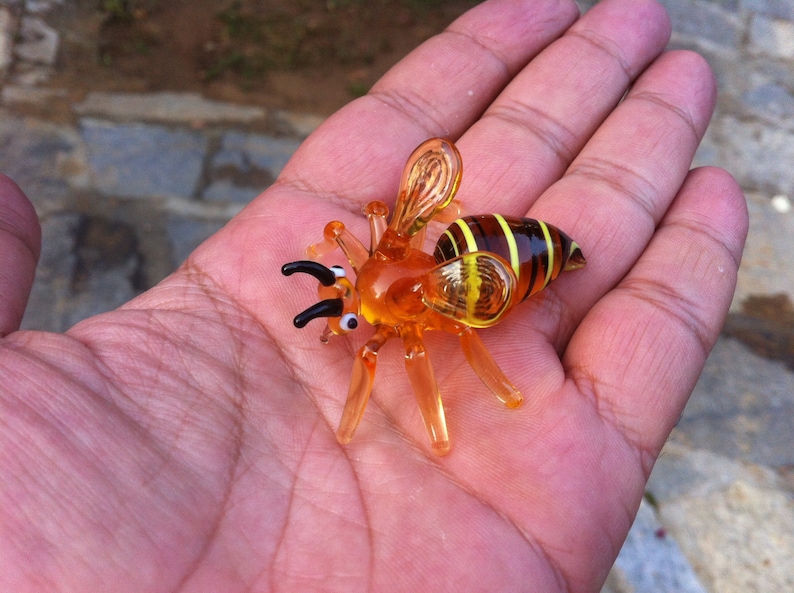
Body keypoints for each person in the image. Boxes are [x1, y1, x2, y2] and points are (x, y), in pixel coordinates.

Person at [0, 0, 747, 591]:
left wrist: (452, 400)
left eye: (344, 303)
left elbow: (434, 328)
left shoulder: (413, 321)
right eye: (341, 293)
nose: (341, 311)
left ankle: (544, 261)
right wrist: (339, 258)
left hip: (499, 263)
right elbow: (365, 232)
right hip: (469, 250)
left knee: (439, 340)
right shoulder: (383, 258)